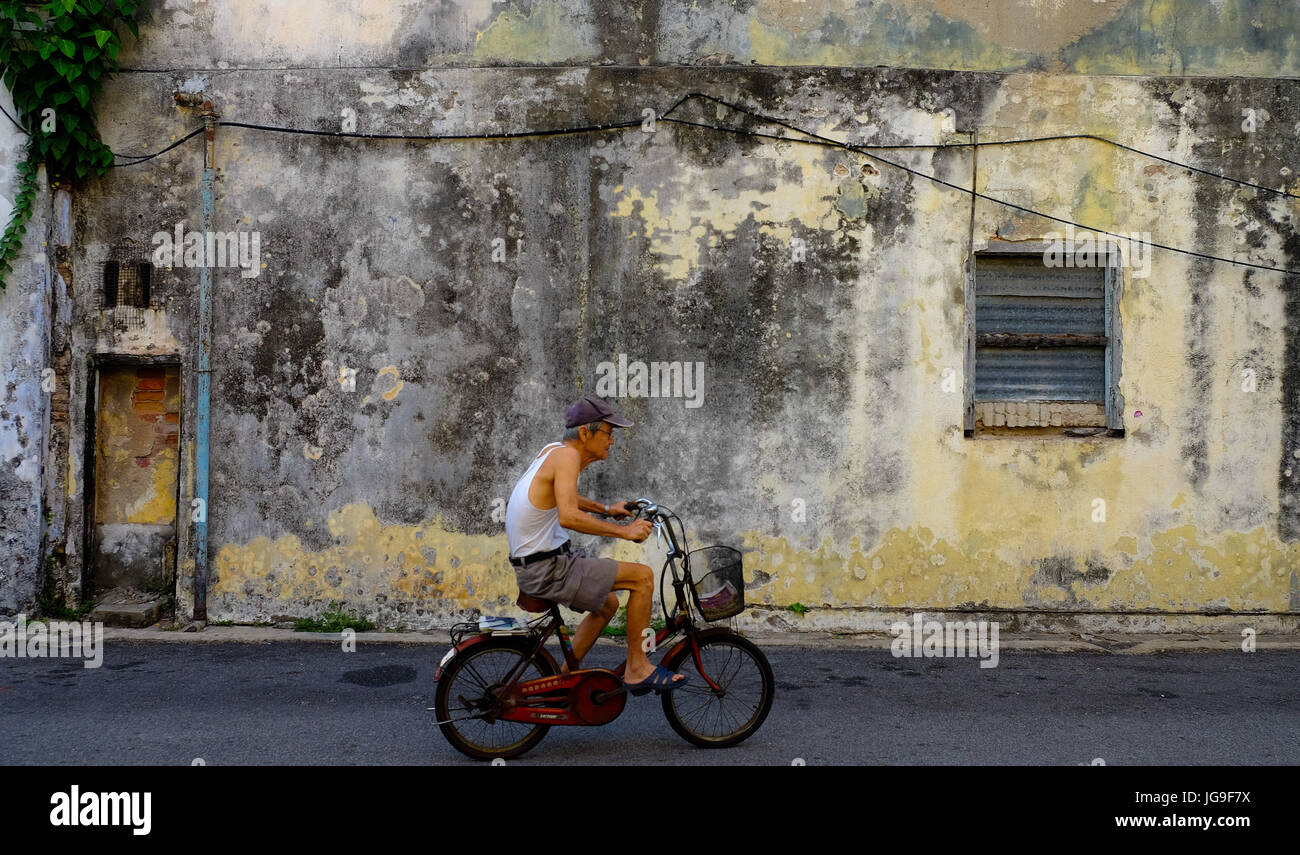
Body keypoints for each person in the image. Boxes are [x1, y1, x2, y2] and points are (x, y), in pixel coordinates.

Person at [504, 394, 687, 694]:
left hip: (537, 564)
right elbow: (568, 516)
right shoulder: (567, 457)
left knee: (608, 604)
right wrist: (626, 532)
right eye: (608, 433)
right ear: (585, 433)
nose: (612, 441)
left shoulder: (554, 451)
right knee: (643, 578)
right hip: (547, 567)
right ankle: (637, 668)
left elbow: (564, 497)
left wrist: (606, 509)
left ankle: (561, 682)